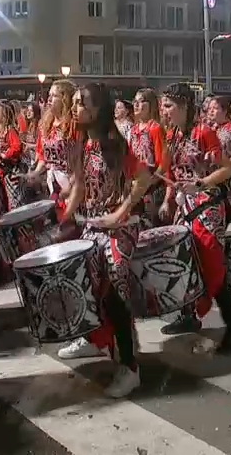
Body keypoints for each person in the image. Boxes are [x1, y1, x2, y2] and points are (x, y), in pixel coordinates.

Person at [56, 82, 152, 398]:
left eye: (81, 102)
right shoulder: (83, 144)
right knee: (85, 281)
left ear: (98, 109)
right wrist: (64, 218)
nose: (74, 107)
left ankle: (130, 366)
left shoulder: (115, 144)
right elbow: (80, 187)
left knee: (112, 282)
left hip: (120, 227)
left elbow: (144, 178)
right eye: (73, 102)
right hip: (94, 225)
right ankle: (96, 340)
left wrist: (119, 213)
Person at [156, 83, 231, 349]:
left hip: (207, 207)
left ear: (184, 106)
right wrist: (167, 198)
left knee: (213, 267)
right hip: (185, 207)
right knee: (184, 262)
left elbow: (226, 170)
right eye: (163, 105)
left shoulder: (203, 132)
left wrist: (200, 184)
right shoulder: (172, 136)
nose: (164, 110)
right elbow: (169, 172)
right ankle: (188, 315)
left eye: (169, 105)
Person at [26, 80, 78, 209]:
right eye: (49, 95)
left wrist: (71, 185)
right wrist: (36, 173)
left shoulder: (74, 125)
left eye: (54, 96)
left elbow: (82, 159)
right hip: (52, 183)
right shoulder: (45, 125)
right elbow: (43, 156)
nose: (49, 99)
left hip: (72, 182)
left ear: (65, 99)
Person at [129, 88, 167, 228]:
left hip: (152, 185)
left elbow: (162, 164)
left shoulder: (155, 128)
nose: (136, 105)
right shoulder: (133, 130)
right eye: (135, 101)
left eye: (141, 101)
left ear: (151, 104)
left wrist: (150, 182)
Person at [0, 102, 25, 212]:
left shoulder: (9, 130)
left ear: (3, 115)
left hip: (9, 173)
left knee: (14, 203)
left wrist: (3, 156)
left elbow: (17, 147)